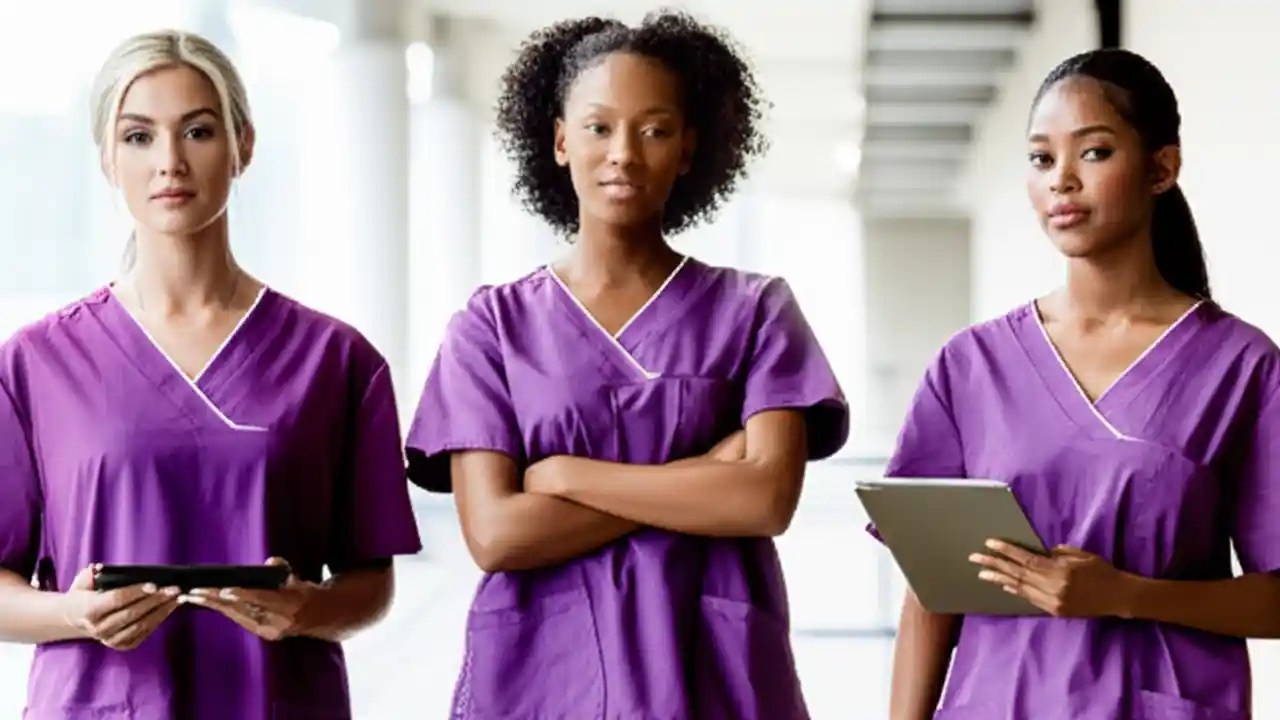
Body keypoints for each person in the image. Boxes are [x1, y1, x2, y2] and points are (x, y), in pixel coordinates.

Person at [406, 11, 849, 719]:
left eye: (655, 130)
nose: (624, 154)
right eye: (598, 127)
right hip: (545, 680)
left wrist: (564, 477)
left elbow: (764, 500)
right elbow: (496, 534)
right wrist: (702, 473)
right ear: (558, 140)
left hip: (715, 673)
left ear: (687, 148)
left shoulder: (756, 311)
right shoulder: (491, 327)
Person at [0, 30, 421, 719]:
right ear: (107, 158)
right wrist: (75, 614)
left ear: (243, 146)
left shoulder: (336, 361)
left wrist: (305, 608)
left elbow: (370, 583)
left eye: (197, 131)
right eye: (138, 137)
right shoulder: (35, 363)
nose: (169, 162)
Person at [883, 48, 1280, 720]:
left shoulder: (1241, 366)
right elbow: (932, 593)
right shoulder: (970, 366)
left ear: (1161, 167)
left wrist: (1126, 594)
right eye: (1041, 159)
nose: (1062, 180)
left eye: (1093, 153)